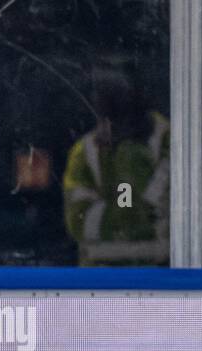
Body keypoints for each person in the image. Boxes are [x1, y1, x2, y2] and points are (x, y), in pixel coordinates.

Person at [63, 66, 170, 267]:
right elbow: (78, 221)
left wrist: (127, 160)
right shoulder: (84, 152)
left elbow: (132, 206)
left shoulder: (171, 142)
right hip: (100, 281)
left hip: (159, 278)